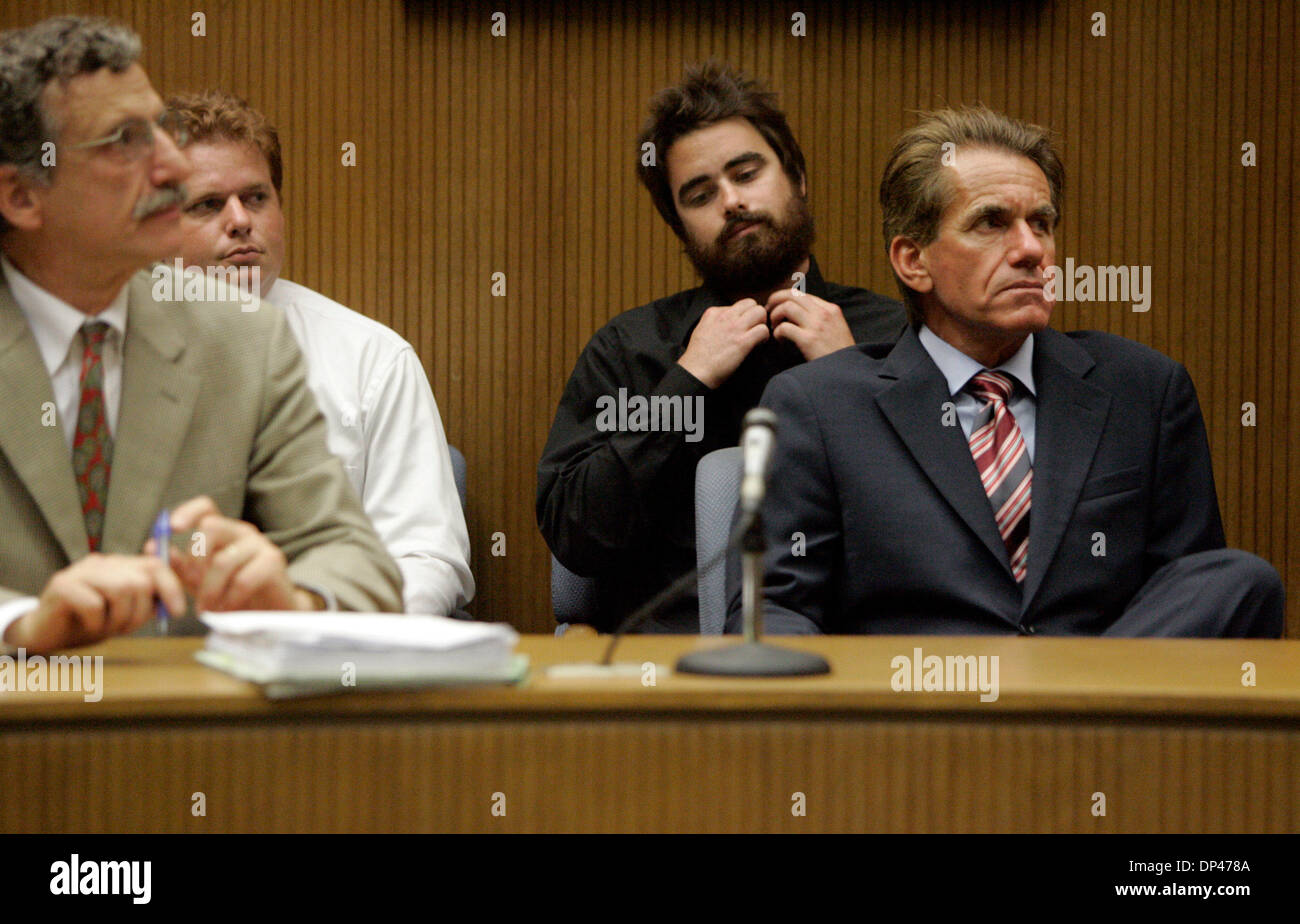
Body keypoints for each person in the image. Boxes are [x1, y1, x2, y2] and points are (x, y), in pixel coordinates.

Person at [727, 105, 1284, 636]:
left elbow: (1188, 597)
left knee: (1239, 579)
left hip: (1104, 703)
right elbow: (771, 606)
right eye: (992, 223)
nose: (1030, 250)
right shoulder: (819, 405)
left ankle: (1071, 725)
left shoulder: (1144, 389)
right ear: (913, 261)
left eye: (1041, 224)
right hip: (919, 712)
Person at [0, 16, 403, 654]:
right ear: (22, 196)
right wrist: (19, 626)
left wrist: (291, 599)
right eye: (122, 142)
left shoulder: (243, 338)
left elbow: (361, 567)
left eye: (159, 129)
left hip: (189, 737)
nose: (172, 166)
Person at [537, 62, 906, 633]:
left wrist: (850, 382)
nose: (731, 201)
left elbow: (938, 535)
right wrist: (684, 385)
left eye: (747, 173)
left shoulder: (891, 335)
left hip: (849, 657)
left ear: (798, 179)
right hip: (663, 668)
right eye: (701, 193)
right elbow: (576, 535)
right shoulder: (632, 349)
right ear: (680, 228)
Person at [167, 90, 473, 617]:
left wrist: (326, 630)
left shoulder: (372, 358)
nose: (240, 220)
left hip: (330, 664)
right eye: (208, 204)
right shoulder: (105, 352)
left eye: (256, 198)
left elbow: (426, 558)